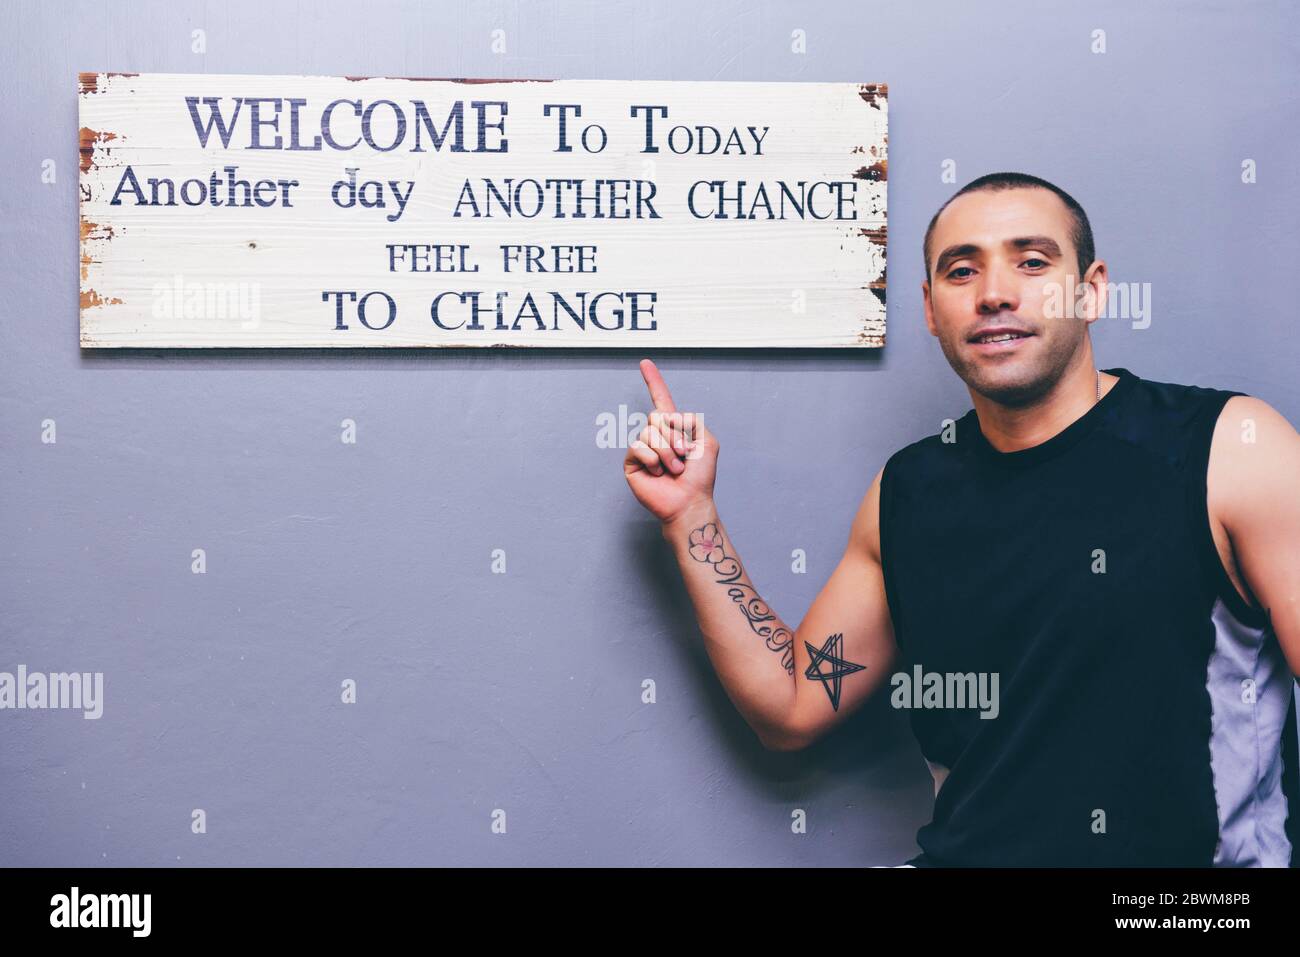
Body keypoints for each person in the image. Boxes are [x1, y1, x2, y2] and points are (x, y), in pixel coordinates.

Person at [621, 172, 1300, 867]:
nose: (994, 291)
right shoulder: (910, 491)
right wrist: (691, 517)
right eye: (961, 269)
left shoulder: (1231, 448)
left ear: (1091, 290)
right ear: (930, 307)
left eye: (1032, 262)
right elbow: (794, 705)